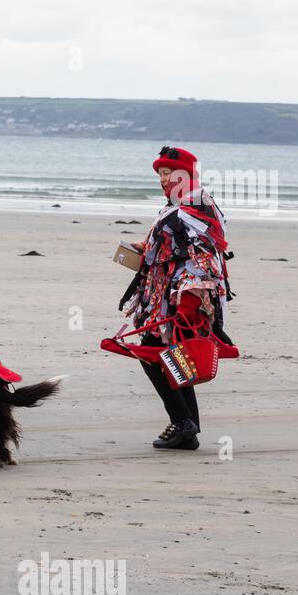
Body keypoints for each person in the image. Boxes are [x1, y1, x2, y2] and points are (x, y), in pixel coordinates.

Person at [120, 145, 233, 450]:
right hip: (165, 298)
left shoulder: (193, 205)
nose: (162, 179)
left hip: (181, 301)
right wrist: (146, 248)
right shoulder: (183, 203)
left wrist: (190, 302)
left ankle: (183, 423)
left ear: (184, 174)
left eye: (167, 173)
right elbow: (176, 246)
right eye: (160, 174)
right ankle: (188, 428)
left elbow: (202, 258)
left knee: (154, 357)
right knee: (172, 358)